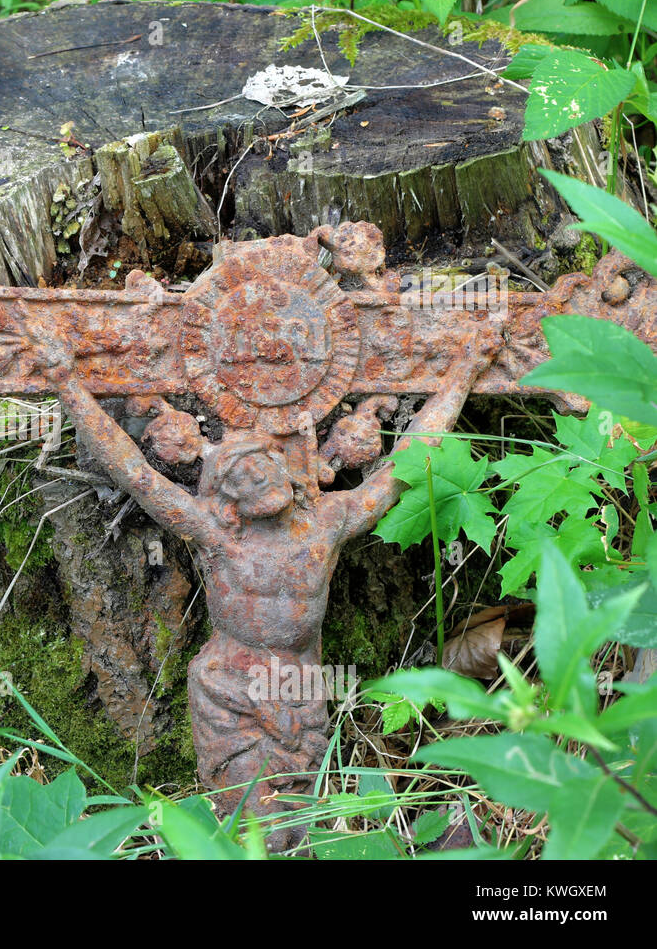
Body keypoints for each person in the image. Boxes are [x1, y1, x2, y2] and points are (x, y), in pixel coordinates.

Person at [50, 317, 506, 849]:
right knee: (251, 822)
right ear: (226, 501)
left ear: (288, 470)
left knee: (297, 815)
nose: (257, 477)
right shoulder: (216, 538)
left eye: (265, 464)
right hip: (231, 687)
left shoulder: (328, 521)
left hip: (302, 685)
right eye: (238, 477)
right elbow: (138, 476)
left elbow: (406, 462)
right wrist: (67, 385)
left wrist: (465, 371)